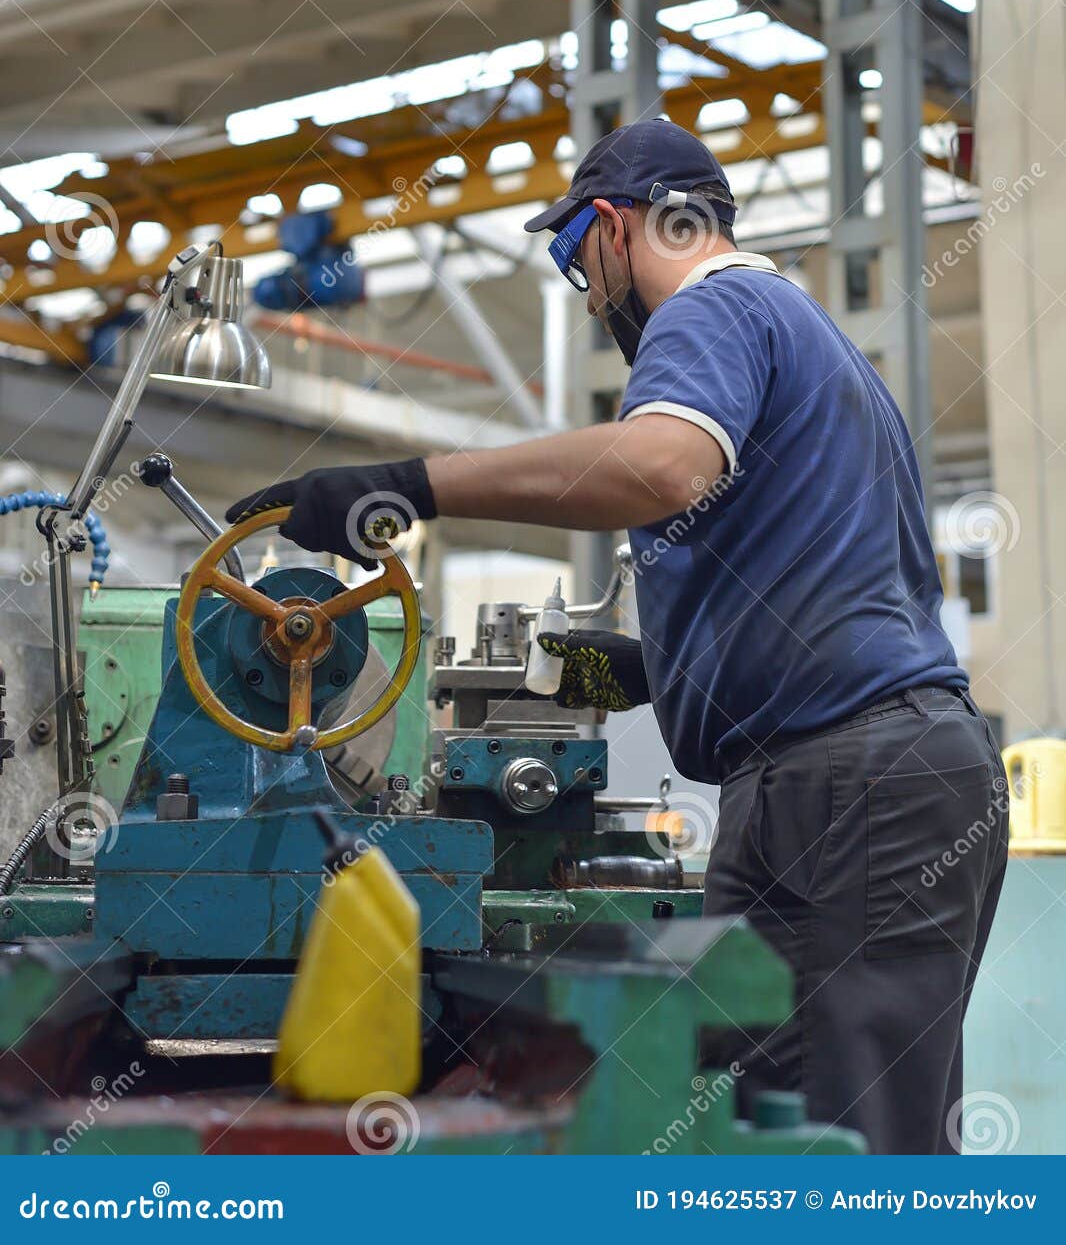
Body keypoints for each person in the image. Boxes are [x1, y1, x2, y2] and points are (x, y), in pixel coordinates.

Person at [227, 117, 1007, 1154]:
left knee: (851, 1145)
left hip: (850, 786)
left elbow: (661, 469)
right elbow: (831, 585)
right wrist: (660, 670)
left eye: (575, 263)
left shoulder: (712, 307)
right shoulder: (808, 342)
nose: (589, 298)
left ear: (614, 229)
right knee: (752, 1120)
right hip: (835, 779)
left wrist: (405, 485)